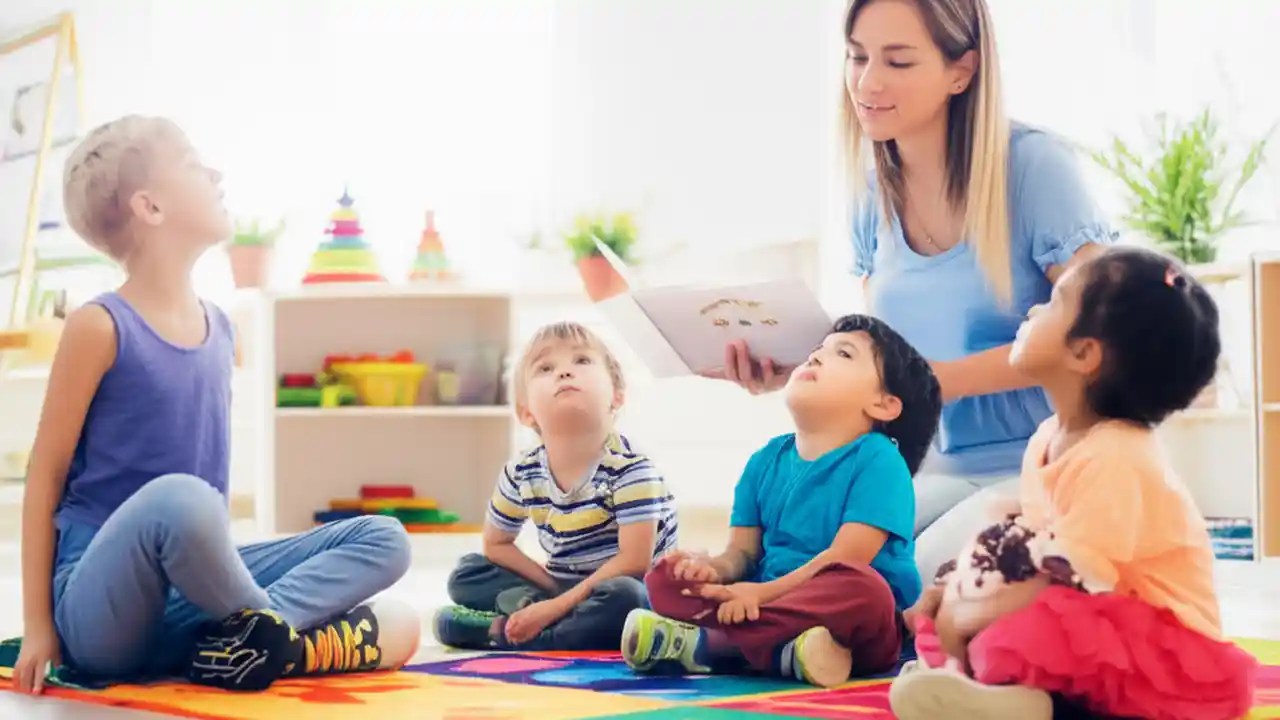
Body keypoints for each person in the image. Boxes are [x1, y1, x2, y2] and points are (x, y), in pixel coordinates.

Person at [13, 116, 417, 694]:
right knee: (183, 499)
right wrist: (37, 627)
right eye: (196, 165)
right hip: (100, 613)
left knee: (385, 538)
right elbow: (45, 475)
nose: (217, 174)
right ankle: (284, 636)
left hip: (192, 604)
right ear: (150, 207)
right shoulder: (99, 325)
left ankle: (252, 639)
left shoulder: (222, 328)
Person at [719, 0, 1116, 580]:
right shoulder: (871, 192)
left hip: (1041, 462)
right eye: (857, 57)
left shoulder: (1035, 168)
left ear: (962, 70)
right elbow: (888, 352)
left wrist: (934, 382)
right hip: (926, 466)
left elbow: (1099, 336)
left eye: (898, 62)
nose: (868, 82)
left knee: (908, 583)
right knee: (807, 561)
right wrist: (800, 369)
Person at [888, 247, 1258, 720]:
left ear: (1084, 353)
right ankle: (994, 688)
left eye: (1054, 301)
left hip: (1167, 651)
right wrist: (954, 594)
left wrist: (970, 613)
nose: (1033, 308)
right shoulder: (1048, 439)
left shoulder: (1118, 455)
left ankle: (1026, 704)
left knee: (1026, 626)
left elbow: (1072, 577)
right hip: (1079, 608)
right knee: (952, 620)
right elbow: (1023, 549)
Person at [622, 315, 942, 688]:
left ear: (883, 404)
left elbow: (847, 558)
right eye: (816, 350)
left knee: (864, 589)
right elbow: (741, 554)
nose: (817, 357)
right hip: (768, 602)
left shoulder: (880, 460)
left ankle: (714, 646)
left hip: (853, 617)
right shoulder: (764, 460)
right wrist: (713, 571)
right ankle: (785, 652)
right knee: (664, 578)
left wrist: (760, 593)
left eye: (843, 353)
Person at [434, 322, 678, 651]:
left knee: (627, 597)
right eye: (546, 368)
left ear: (617, 396)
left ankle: (514, 633)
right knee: (467, 573)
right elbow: (496, 544)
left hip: (624, 585)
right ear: (526, 412)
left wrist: (555, 607)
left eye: (582, 361)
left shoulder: (632, 469)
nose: (564, 373)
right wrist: (551, 591)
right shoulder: (521, 471)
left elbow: (634, 561)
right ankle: (539, 616)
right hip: (564, 583)